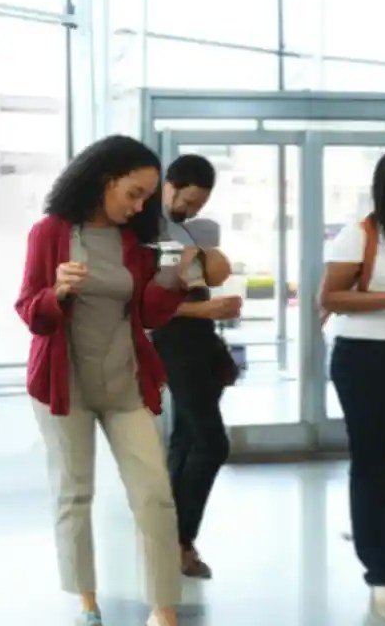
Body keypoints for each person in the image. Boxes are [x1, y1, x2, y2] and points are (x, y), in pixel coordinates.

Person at [15, 134, 190, 626]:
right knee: (74, 493)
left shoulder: (134, 242)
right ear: (104, 181)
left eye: (146, 197)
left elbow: (150, 313)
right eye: (133, 193)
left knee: (154, 492)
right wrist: (57, 292)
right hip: (62, 383)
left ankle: (164, 608)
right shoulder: (49, 232)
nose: (139, 206)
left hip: (125, 382)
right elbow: (32, 312)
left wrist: (175, 274)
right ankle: (88, 604)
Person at [152, 154, 240, 580]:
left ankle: (169, 539)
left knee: (186, 439)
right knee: (211, 442)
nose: (192, 209)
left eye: (200, 203)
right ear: (169, 185)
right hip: (174, 340)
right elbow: (144, 308)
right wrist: (203, 309)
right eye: (187, 199)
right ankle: (180, 541)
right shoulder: (146, 229)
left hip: (200, 341)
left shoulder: (193, 230)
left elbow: (212, 276)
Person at [320, 148, 385, 624]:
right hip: (365, 358)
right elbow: (329, 298)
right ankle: (383, 573)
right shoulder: (361, 235)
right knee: (370, 462)